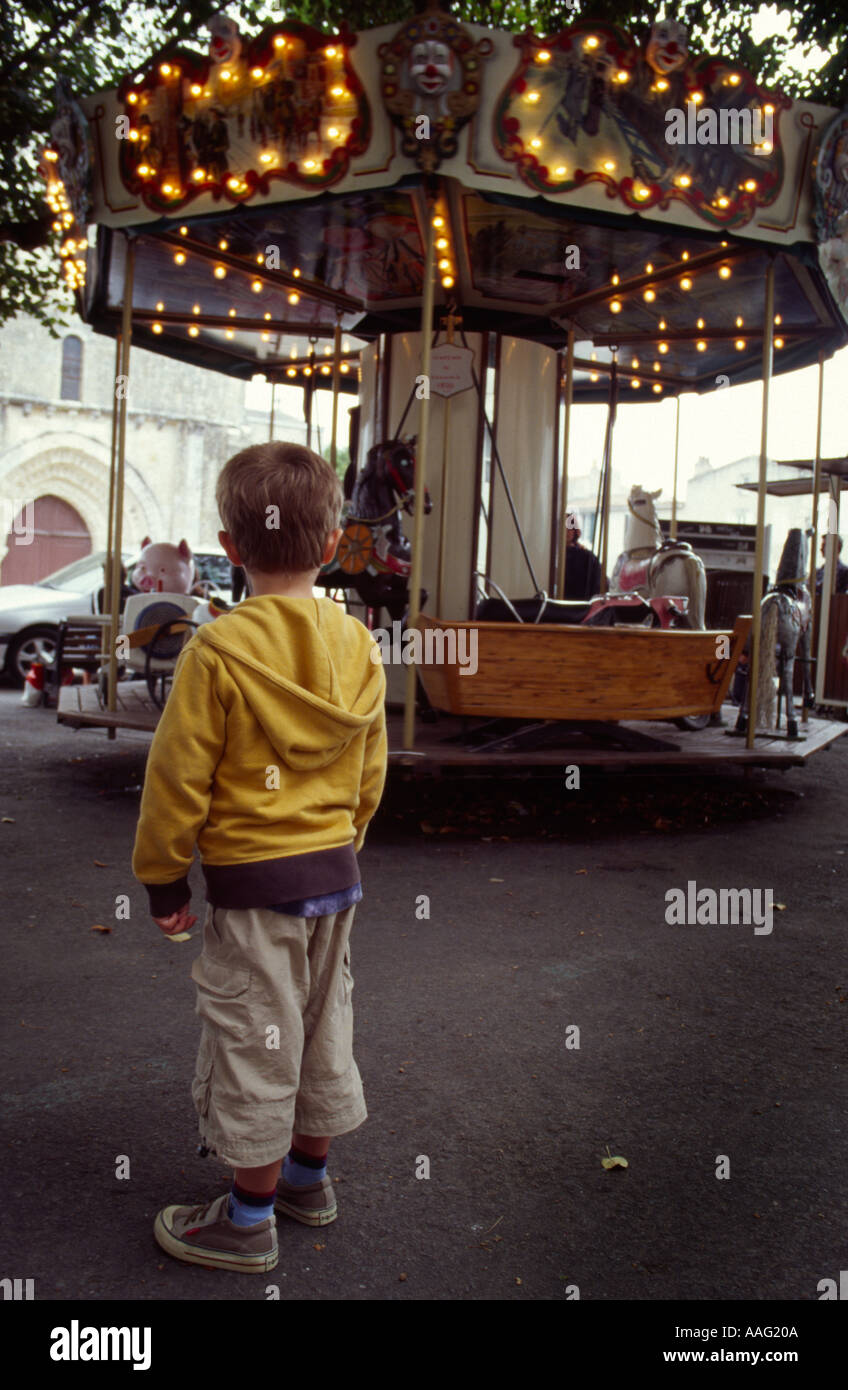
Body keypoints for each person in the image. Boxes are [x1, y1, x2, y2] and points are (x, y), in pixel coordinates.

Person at [132, 441, 387, 1273]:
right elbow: (370, 772)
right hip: (334, 882)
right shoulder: (357, 645)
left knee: (254, 1038)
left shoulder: (216, 650)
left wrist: (163, 875)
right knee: (322, 1025)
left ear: (231, 548)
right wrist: (344, 846)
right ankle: (308, 1181)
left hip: (253, 892)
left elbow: (178, 778)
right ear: (327, 547)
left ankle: (247, 1220)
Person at [563, 513, 607, 600]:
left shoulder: (586, 556)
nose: (567, 531)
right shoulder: (551, 557)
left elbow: (599, 582)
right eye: (563, 528)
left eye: (570, 528)